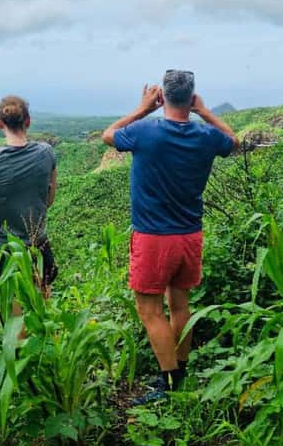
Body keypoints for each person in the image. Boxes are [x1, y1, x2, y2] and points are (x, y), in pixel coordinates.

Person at [102, 70, 240, 403]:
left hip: (153, 238)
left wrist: (143, 108)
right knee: (180, 305)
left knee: (149, 311)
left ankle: (170, 383)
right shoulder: (206, 136)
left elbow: (109, 135)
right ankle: (180, 369)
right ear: (191, 97)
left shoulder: (145, 131)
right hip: (190, 235)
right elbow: (233, 141)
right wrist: (204, 112)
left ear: (162, 96)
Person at [0, 95, 59, 305]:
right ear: (28, 121)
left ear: (0, 123)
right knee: (43, 311)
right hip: (38, 246)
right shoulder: (47, 153)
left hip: (2, 251)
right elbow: (49, 200)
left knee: (13, 320)